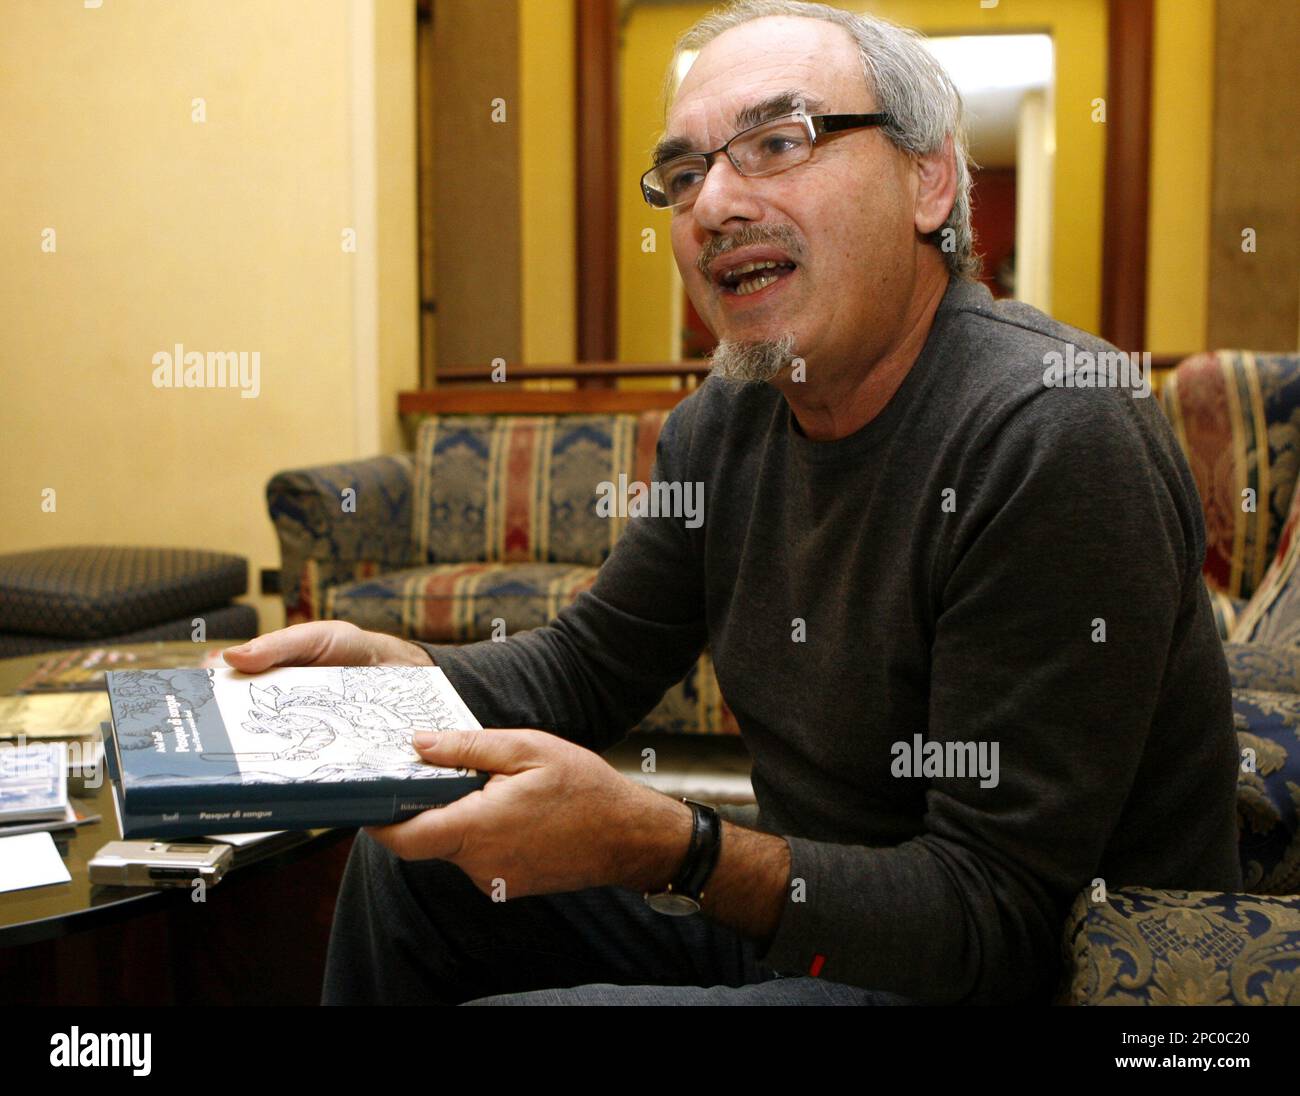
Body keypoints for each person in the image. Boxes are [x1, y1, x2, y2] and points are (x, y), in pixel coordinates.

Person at [225, 0, 1241, 1005]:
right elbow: (586, 667)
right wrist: (406, 679)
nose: (711, 204)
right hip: (820, 923)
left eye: (776, 142)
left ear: (927, 178)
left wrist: (671, 843)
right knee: (411, 871)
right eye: (683, 171)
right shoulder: (730, 417)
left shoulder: (1053, 432)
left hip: (1026, 972)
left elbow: (996, 916)